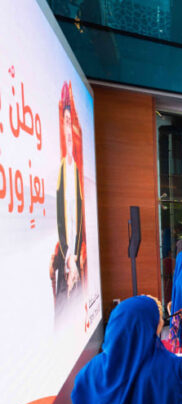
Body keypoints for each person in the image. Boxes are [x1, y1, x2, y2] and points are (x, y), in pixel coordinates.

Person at [49, 82, 88, 311]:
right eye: (65, 122)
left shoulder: (76, 172)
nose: (68, 129)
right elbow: (62, 221)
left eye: (70, 121)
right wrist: (67, 255)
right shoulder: (63, 170)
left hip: (74, 253)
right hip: (68, 254)